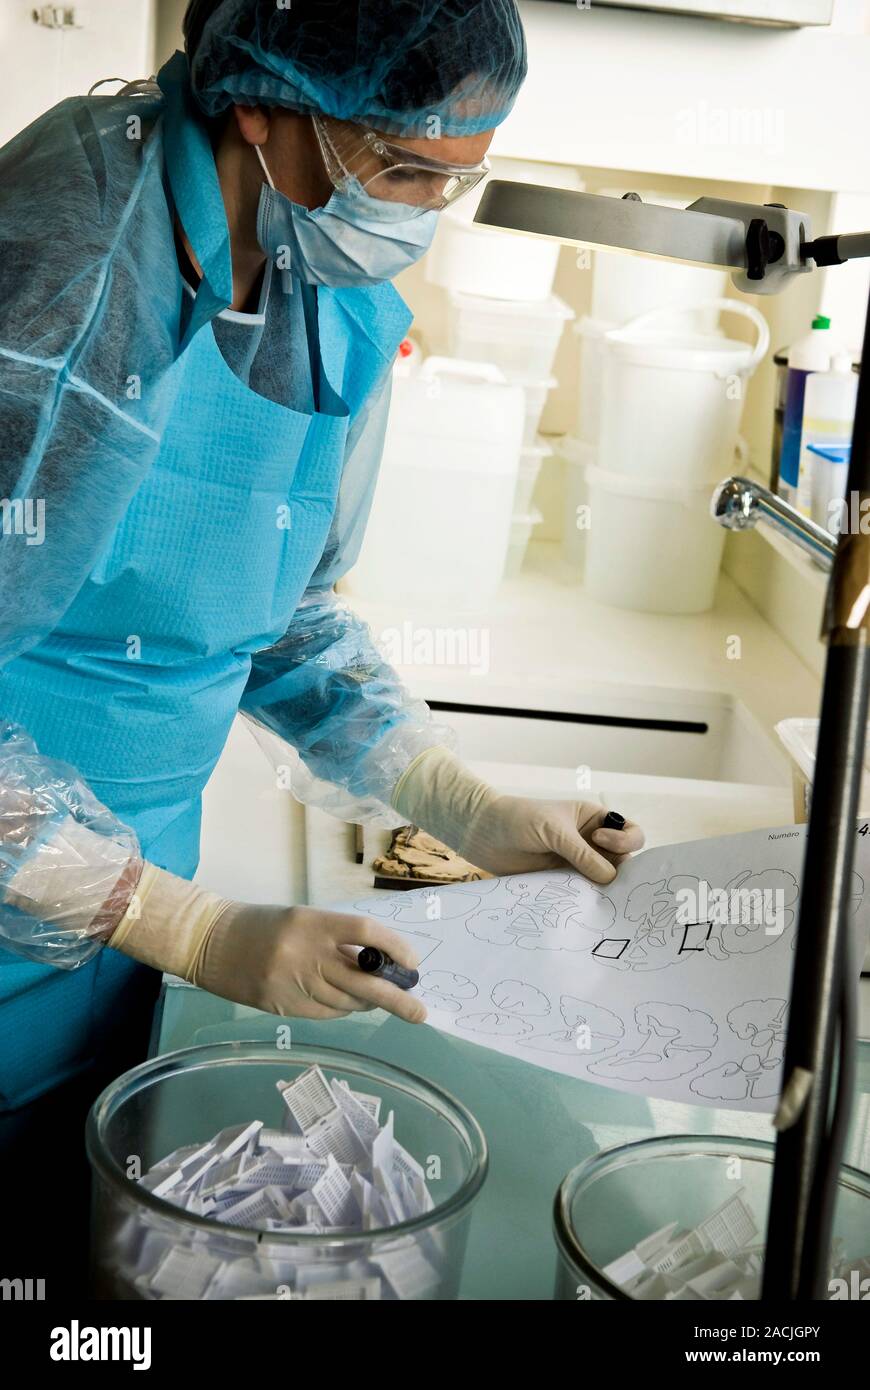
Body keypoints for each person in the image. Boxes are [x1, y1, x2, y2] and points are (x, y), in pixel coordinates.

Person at [0, 0, 643, 1282]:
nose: (418, 214)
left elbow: (285, 611)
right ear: (261, 102)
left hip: (104, 930)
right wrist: (186, 927)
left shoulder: (323, 288)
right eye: (399, 169)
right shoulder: (60, 266)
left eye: (456, 180)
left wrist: (461, 803)